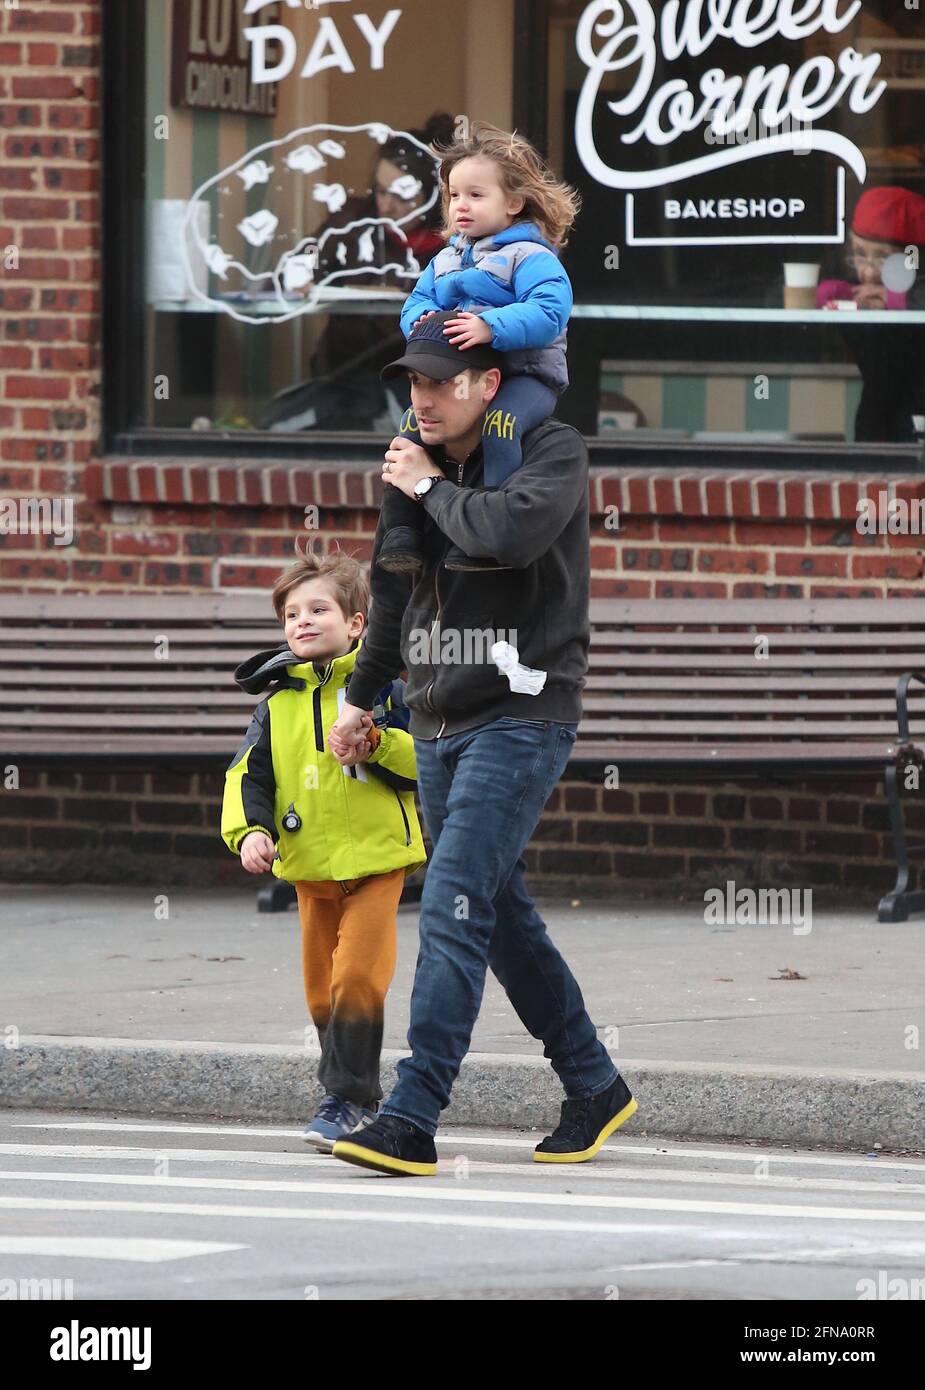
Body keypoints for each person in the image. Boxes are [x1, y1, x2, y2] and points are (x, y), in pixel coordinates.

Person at [324, 312, 637, 1177]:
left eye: (439, 382)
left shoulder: (551, 450)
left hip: (522, 712)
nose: (420, 399)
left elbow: (506, 535)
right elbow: (393, 595)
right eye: (413, 384)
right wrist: (359, 697)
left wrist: (426, 487)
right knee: (497, 916)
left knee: (454, 904)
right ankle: (592, 1082)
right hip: (434, 714)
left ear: (487, 385)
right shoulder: (413, 462)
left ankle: (412, 1112)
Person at [221, 548, 427, 1150]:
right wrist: (251, 832)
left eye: (318, 609)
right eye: (290, 614)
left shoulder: (386, 690)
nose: (302, 621)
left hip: (377, 863)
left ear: (356, 623)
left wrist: (379, 743)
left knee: (358, 978)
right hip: (309, 868)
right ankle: (357, 1096)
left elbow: (429, 767)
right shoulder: (276, 704)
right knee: (320, 991)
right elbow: (246, 778)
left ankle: (345, 1099)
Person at [376, 121, 580, 575]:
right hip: (464, 378)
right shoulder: (445, 257)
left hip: (525, 375)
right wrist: (422, 326)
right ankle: (400, 532)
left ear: (514, 201)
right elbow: (416, 304)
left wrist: (491, 325)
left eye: (475, 195)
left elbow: (549, 312)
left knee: (501, 424)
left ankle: (484, 526)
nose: (460, 206)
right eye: (453, 195)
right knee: (408, 428)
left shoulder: (530, 258)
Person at [258, 114, 454, 434]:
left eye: (401, 196)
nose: (385, 206)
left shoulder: (452, 246)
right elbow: (287, 273)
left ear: (433, 196)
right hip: (342, 379)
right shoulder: (351, 221)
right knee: (274, 427)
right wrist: (297, 277)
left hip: (416, 383)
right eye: (380, 191)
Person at [817, 185, 925, 443]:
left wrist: (899, 300)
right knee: (874, 485)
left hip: (917, 420)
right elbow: (772, 292)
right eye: (859, 254)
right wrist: (828, 293)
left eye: (883, 259)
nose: (867, 272)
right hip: (875, 420)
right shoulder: (845, 273)